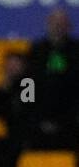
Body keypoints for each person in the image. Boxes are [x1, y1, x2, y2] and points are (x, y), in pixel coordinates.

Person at [25, 8, 79, 150]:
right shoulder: (36, 49)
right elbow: (28, 81)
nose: (58, 27)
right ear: (48, 25)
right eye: (55, 23)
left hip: (70, 111)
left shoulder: (76, 50)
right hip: (39, 110)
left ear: (69, 27)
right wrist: (27, 105)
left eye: (62, 24)